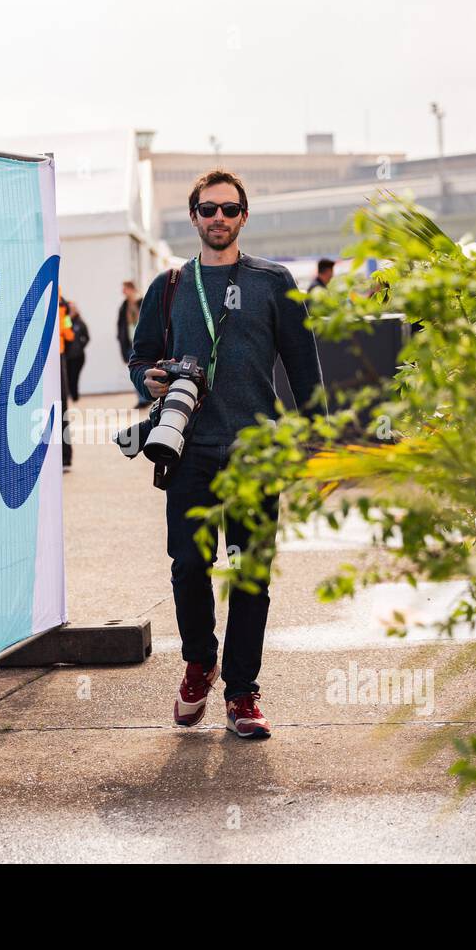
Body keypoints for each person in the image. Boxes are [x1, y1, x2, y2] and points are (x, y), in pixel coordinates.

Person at [127, 169, 326, 739]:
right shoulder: (168, 286)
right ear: (192, 216)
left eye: (229, 210)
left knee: (248, 575)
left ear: (244, 217)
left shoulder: (272, 281)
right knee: (189, 566)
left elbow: (303, 364)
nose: (219, 218)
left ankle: (241, 692)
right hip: (186, 450)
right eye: (208, 209)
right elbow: (140, 360)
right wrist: (154, 382)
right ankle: (198, 662)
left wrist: (315, 434)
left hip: (255, 453)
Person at [117, 281, 150, 408]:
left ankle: (147, 397)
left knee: (147, 370)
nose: (123, 292)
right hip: (130, 344)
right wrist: (120, 339)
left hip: (143, 342)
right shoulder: (124, 306)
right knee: (135, 372)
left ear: (131, 289)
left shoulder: (142, 301)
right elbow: (120, 326)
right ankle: (142, 399)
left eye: (124, 289)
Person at [58, 292, 75, 470]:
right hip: (58, 352)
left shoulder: (59, 298)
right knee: (60, 407)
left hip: (54, 353)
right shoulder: (61, 296)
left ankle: (64, 456)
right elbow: (68, 331)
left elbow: (67, 330)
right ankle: (65, 456)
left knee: (59, 406)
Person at [62, 295, 89, 402]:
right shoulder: (66, 321)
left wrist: (80, 346)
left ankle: (75, 396)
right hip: (68, 355)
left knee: (74, 376)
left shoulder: (80, 322)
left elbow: (86, 337)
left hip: (78, 356)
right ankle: (71, 395)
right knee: (68, 376)